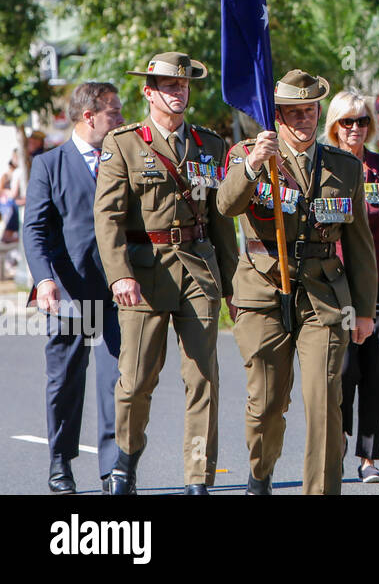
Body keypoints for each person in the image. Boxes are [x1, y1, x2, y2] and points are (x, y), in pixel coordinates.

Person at [217, 69, 377, 495]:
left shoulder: (345, 166)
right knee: (267, 403)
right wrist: (253, 165)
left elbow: (360, 244)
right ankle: (261, 470)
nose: (304, 118)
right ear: (277, 116)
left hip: (324, 296)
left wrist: (364, 310)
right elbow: (226, 204)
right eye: (294, 112)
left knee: (326, 400)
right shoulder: (247, 154)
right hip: (263, 292)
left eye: (310, 110)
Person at [94, 52, 239, 495]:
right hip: (144, 271)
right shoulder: (123, 143)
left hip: (198, 268)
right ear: (149, 91)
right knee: (136, 381)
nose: (178, 93)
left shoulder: (209, 145)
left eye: (183, 86)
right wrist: (119, 274)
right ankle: (126, 460)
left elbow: (220, 223)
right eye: (168, 86)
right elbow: (108, 217)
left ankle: (198, 476)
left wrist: (233, 285)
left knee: (203, 378)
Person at [24, 82, 124, 494]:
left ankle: (114, 470)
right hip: (69, 291)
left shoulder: (123, 159)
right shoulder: (50, 164)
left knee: (118, 380)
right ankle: (60, 463)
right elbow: (34, 230)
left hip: (120, 288)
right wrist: (44, 279)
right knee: (65, 380)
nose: (120, 119)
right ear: (89, 116)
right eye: (113, 113)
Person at [325, 89, 379, 484]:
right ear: (334, 126)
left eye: (362, 120)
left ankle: (368, 458)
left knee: (375, 369)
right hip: (335, 285)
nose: (355, 128)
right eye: (347, 121)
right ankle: (336, 441)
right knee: (343, 369)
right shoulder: (323, 168)